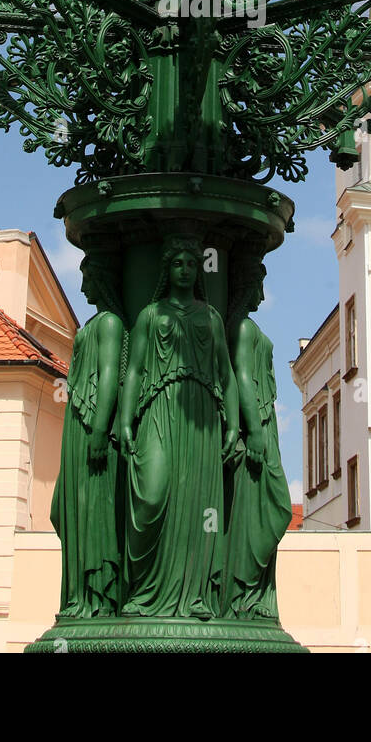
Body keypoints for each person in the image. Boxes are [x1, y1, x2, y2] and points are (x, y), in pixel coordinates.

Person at [119, 235, 238, 618]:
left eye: (191, 263)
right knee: (152, 495)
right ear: (167, 270)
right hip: (157, 411)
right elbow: (134, 369)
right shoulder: (150, 316)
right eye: (177, 263)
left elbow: (227, 374)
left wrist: (233, 424)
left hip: (202, 417)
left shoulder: (211, 317)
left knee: (202, 507)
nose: (185, 269)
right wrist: (124, 420)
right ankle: (144, 591)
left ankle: (196, 593)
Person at [50, 254, 124, 617]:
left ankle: (96, 597)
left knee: (95, 507)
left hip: (92, 428)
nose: (82, 286)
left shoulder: (109, 323)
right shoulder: (92, 325)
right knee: (68, 510)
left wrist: (99, 430)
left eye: (88, 277)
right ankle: (77, 595)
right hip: (76, 428)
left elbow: (110, 376)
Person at [223, 249, 292, 620]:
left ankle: (252, 594)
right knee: (274, 506)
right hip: (258, 428)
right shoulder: (243, 328)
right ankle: (243, 590)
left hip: (264, 424)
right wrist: (253, 433)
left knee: (268, 507)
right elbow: (243, 379)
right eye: (257, 286)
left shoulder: (243, 325)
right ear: (244, 285)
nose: (262, 296)